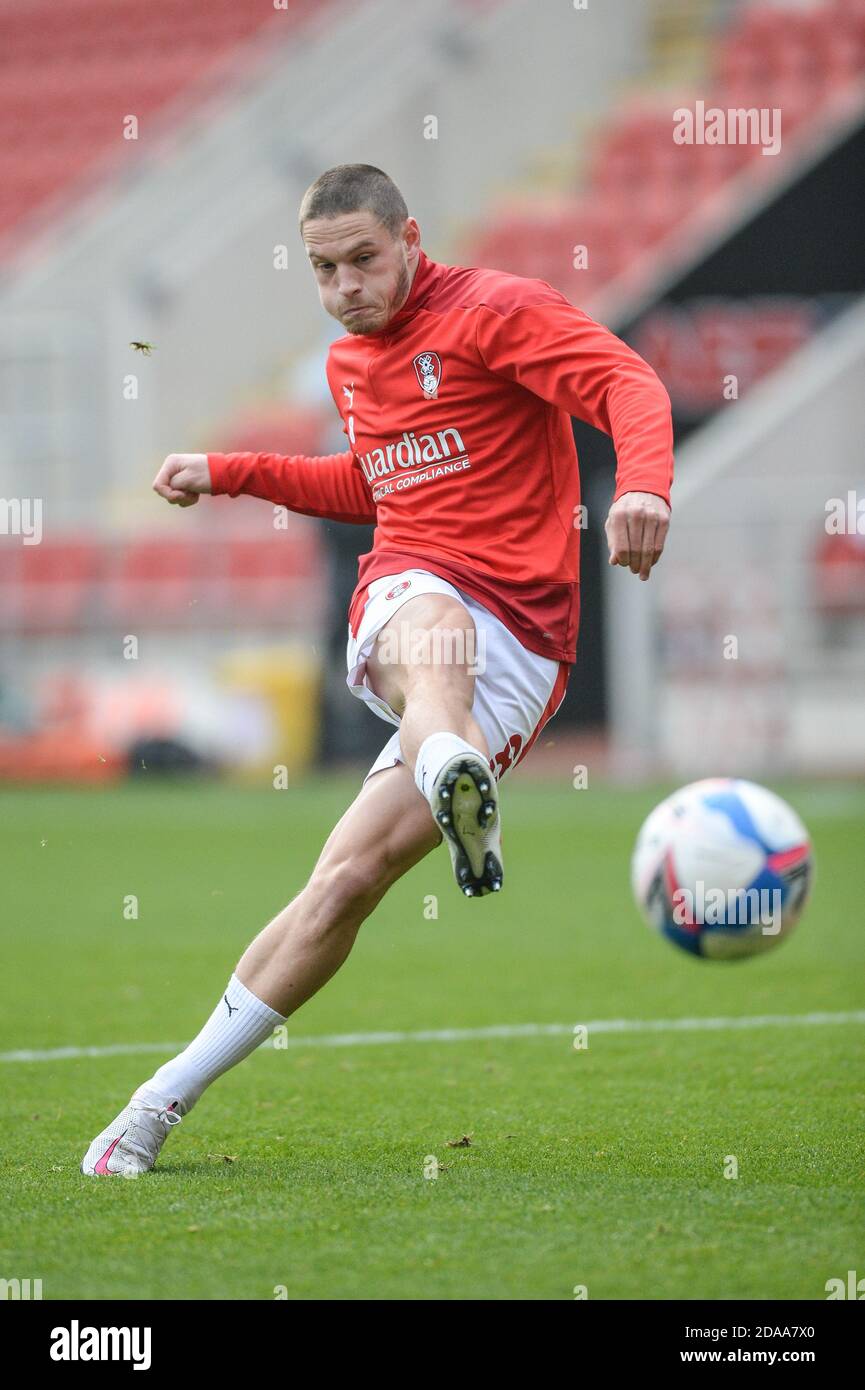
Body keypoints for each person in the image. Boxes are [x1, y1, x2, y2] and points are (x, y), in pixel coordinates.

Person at [81, 164, 673, 1177]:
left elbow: (627, 380)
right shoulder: (350, 364)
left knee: (344, 883)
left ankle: (452, 772)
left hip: (527, 638)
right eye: (323, 269)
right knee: (429, 617)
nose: (346, 285)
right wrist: (229, 471)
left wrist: (647, 488)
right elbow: (375, 480)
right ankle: (152, 1107)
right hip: (416, 588)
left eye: (362, 258)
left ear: (408, 236)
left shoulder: (495, 312)